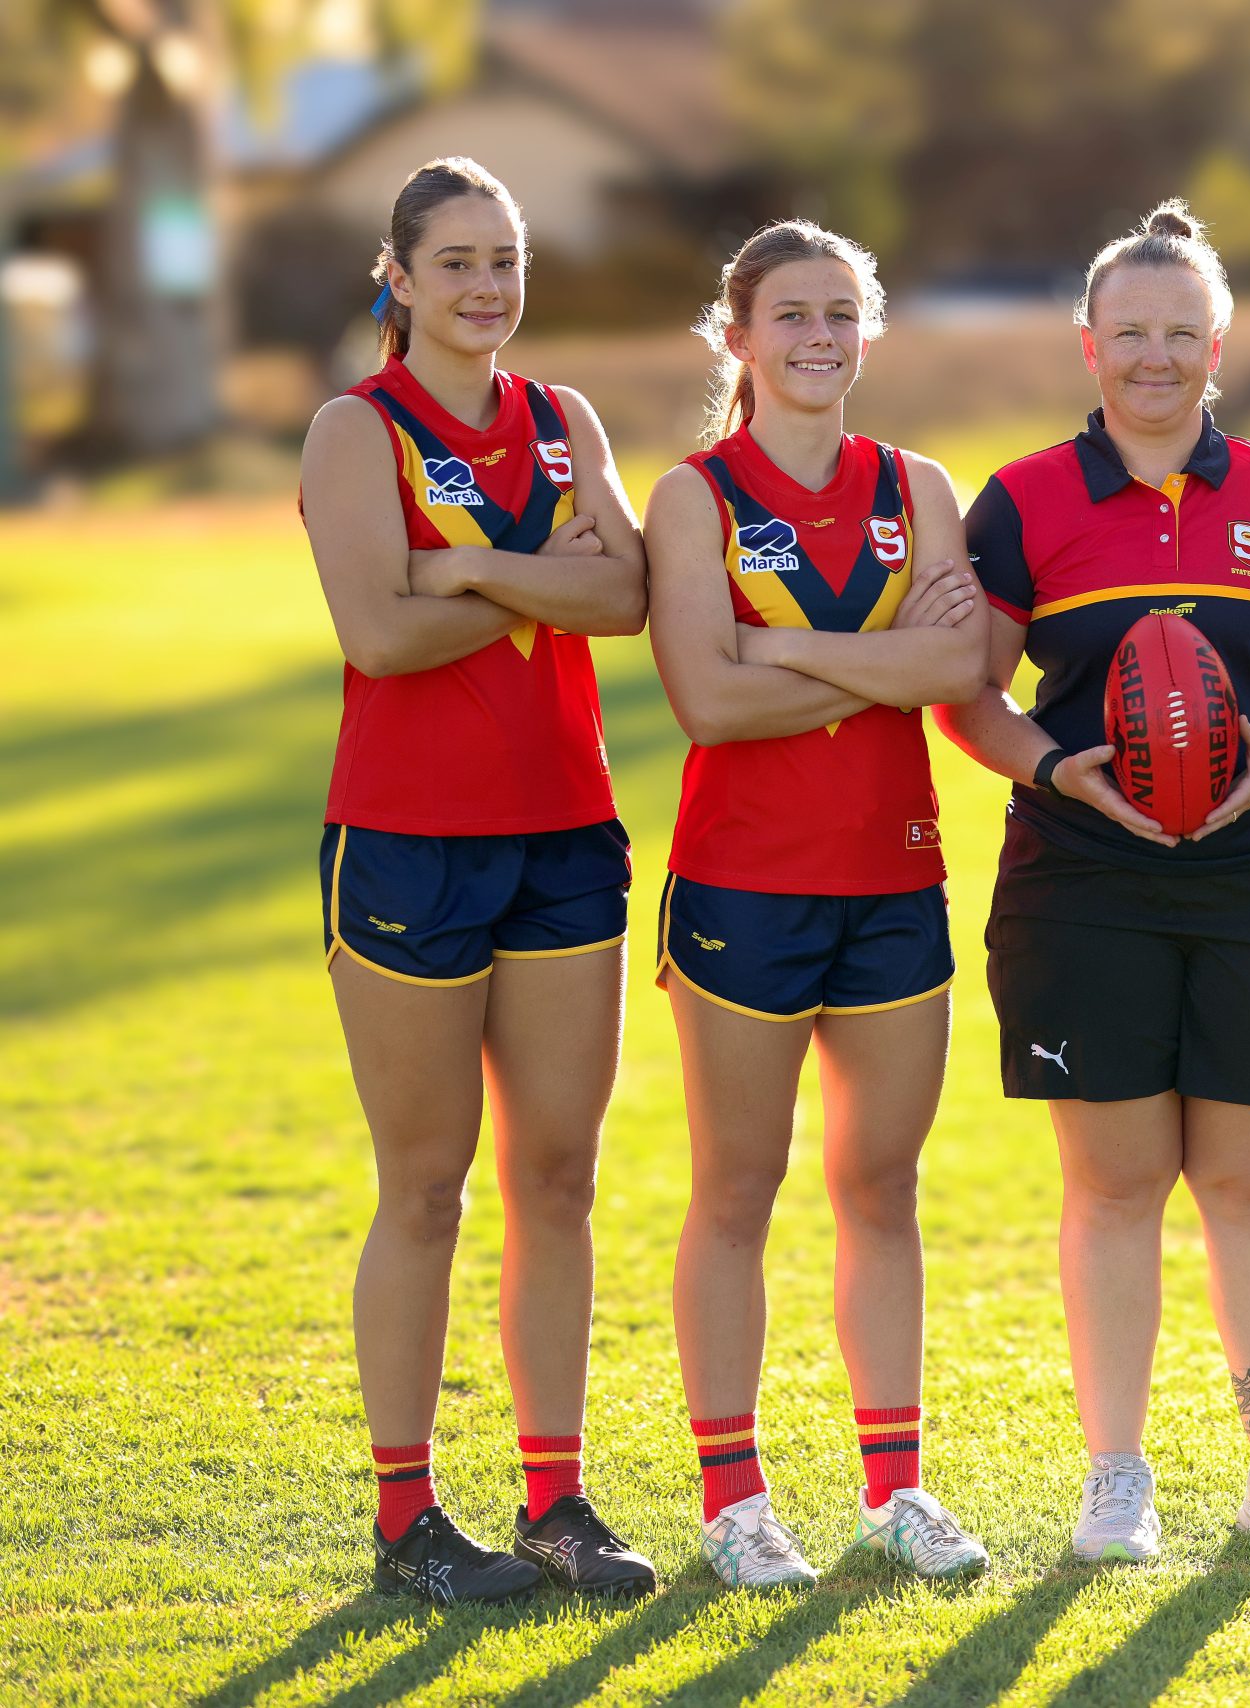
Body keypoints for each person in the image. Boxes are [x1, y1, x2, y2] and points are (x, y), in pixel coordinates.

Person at [935, 202, 1250, 1561]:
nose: (1156, 356)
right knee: (1116, 1188)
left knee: (1249, 1190)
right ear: (1089, 344)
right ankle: (1114, 1479)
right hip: (1082, 882)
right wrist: (1056, 770)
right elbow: (971, 693)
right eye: (1131, 332)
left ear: (1218, 344)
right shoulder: (1021, 501)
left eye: (1182, 332)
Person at [299, 157, 655, 1602]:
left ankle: (557, 1504)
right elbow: (375, 638)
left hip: (566, 831)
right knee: (428, 1185)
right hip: (406, 841)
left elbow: (623, 595)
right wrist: (531, 569)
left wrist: (460, 568)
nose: (487, 287)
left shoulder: (563, 421)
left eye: (505, 259)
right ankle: (406, 1525)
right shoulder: (354, 428)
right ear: (398, 276)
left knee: (559, 1176)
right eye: (456, 261)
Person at [645, 220, 992, 1586]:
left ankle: (895, 1489)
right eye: (790, 313)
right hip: (742, 882)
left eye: (842, 313)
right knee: (738, 1188)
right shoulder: (696, 497)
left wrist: (786, 648)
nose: (818, 337)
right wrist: (880, 653)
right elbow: (708, 698)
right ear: (736, 335)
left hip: (895, 876)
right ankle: (736, 1501)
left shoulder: (919, 483)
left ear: (870, 329)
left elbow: (958, 666)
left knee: (883, 1186)